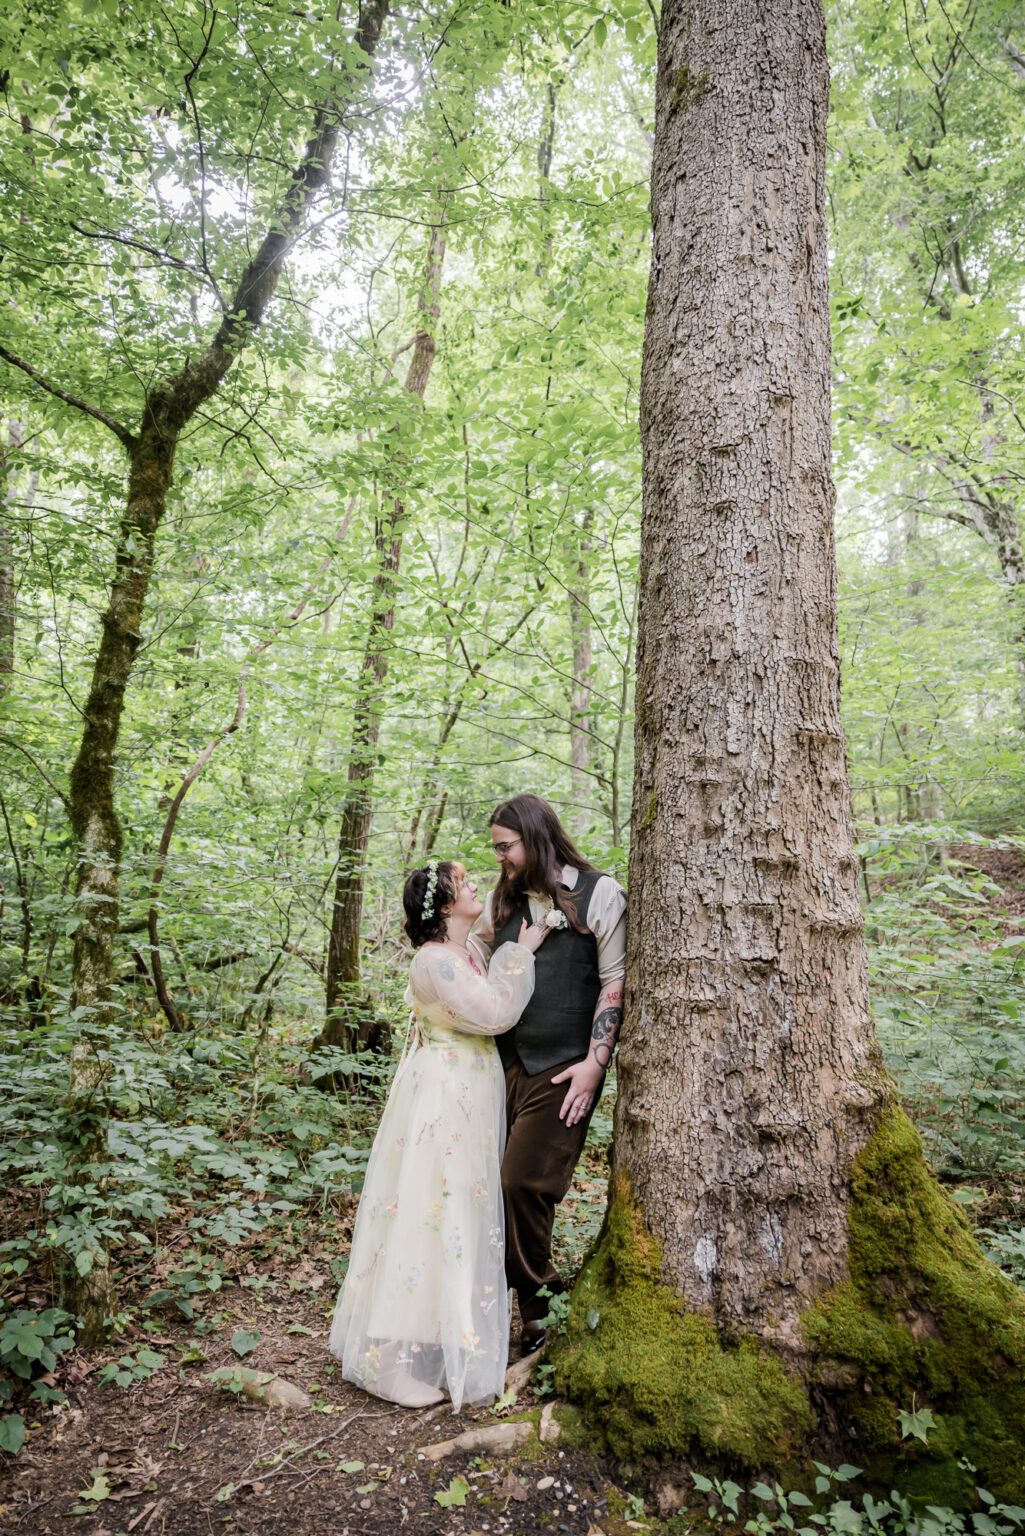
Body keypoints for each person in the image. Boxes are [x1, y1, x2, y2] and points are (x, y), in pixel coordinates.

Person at [328, 859, 550, 1411]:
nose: (475, 883)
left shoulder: (466, 949)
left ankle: (442, 1343)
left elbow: (493, 938)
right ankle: (389, 1361)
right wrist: (522, 951)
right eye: (464, 881)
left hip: (471, 1097)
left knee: (455, 1217)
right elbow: (497, 1011)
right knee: (429, 1214)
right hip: (443, 1101)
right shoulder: (434, 963)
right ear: (445, 903)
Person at [469, 795, 626, 1356]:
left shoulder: (599, 892)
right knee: (488, 1188)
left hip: (565, 1067)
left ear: (534, 838)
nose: (500, 859)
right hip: (503, 1062)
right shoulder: (501, 901)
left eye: (504, 847)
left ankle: (541, 1308)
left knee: (524, 1182)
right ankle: (500, 1310)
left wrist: (594, 1065)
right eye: (496, 849)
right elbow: (470, 952)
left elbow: (614, 984)